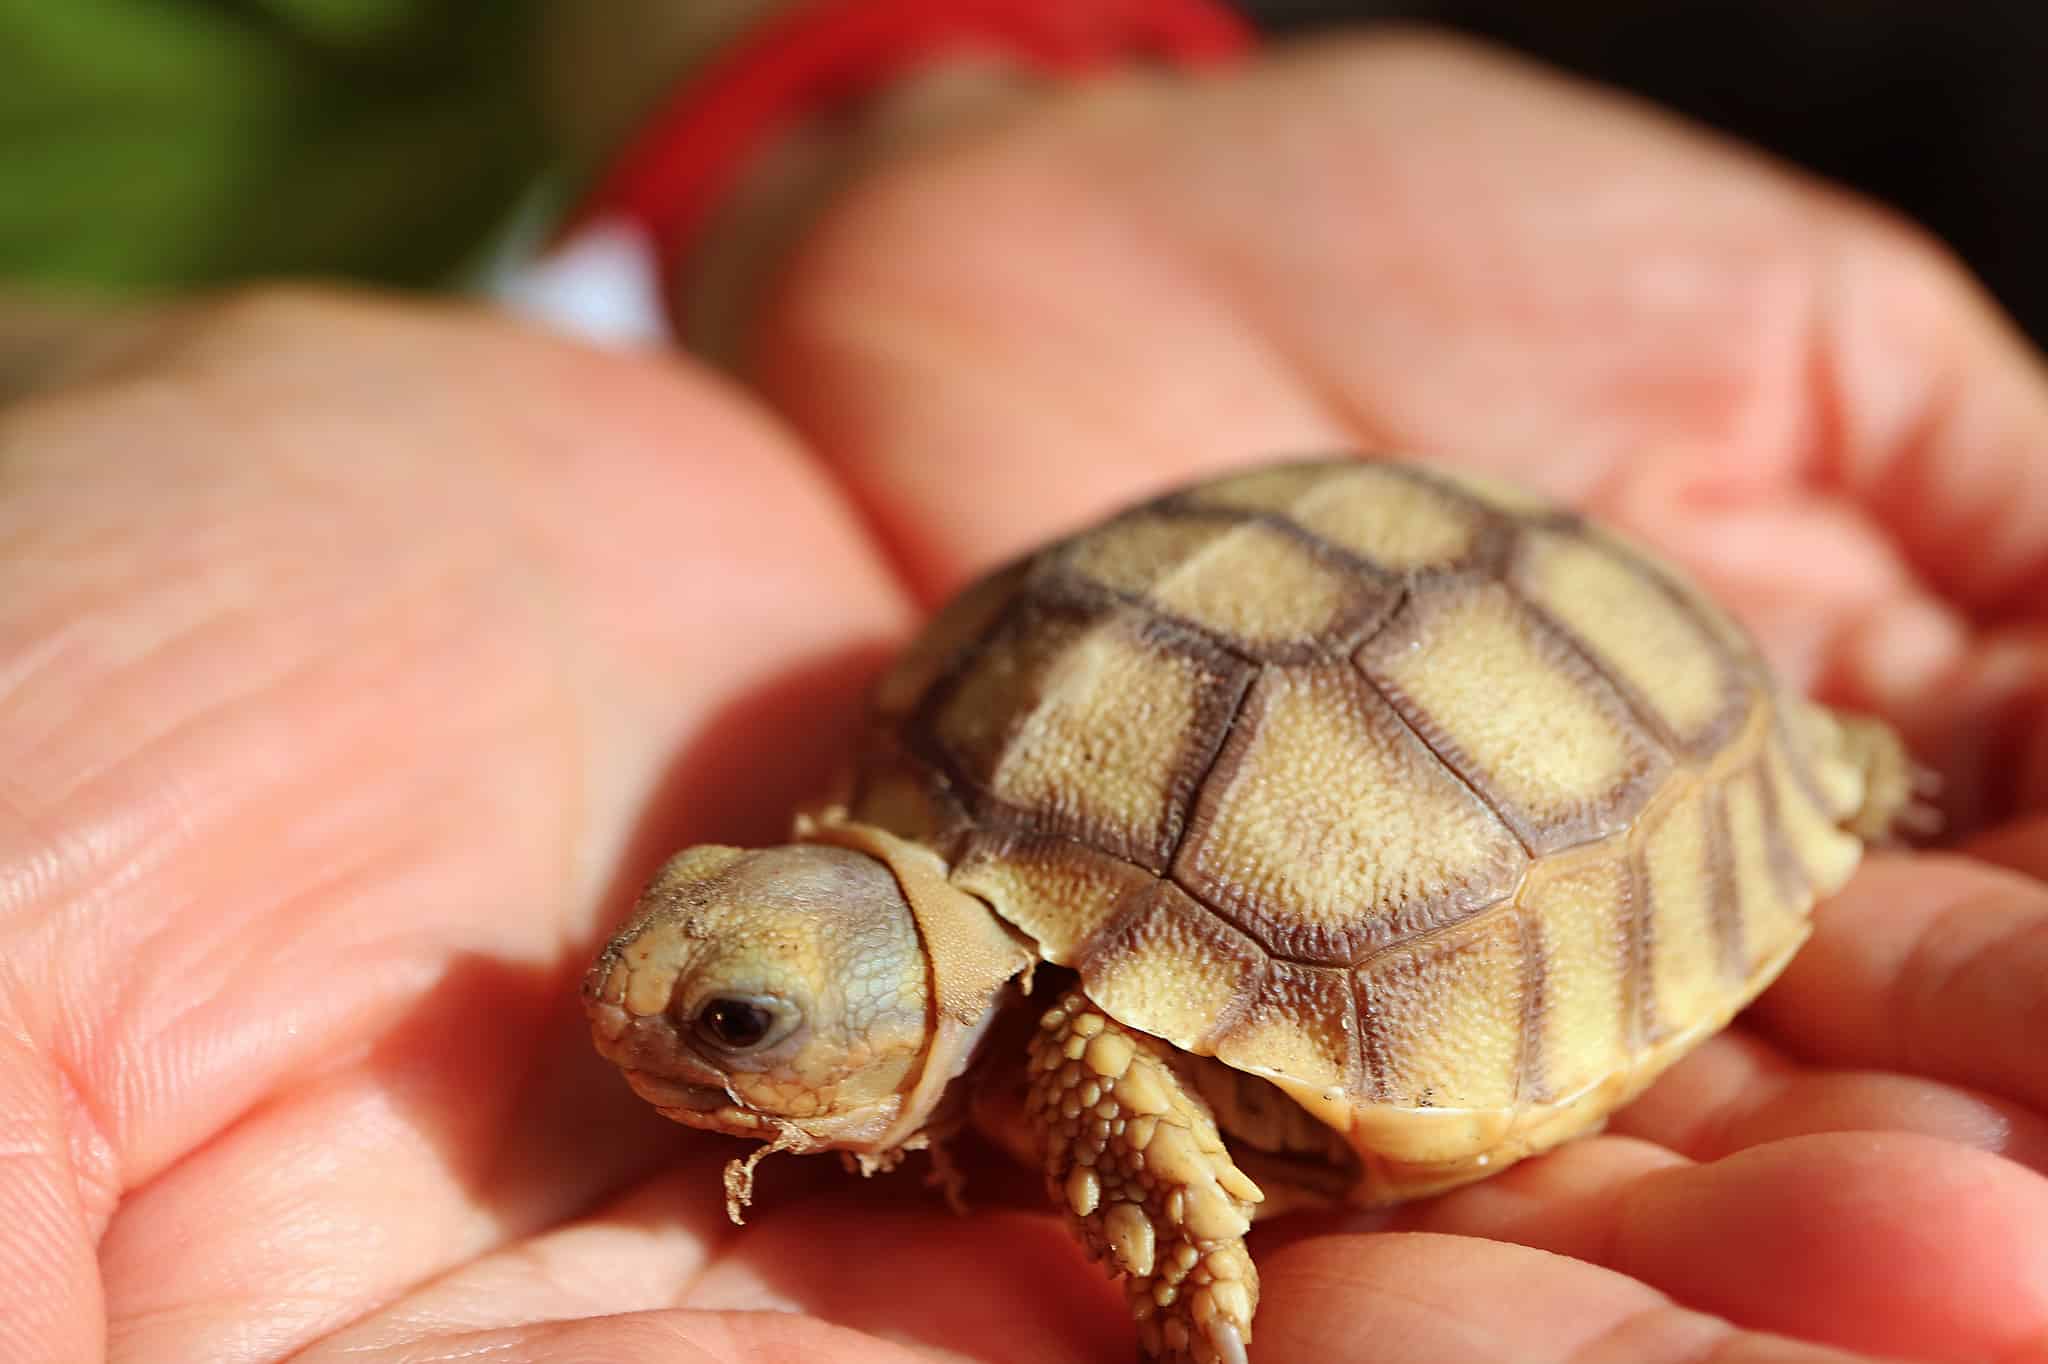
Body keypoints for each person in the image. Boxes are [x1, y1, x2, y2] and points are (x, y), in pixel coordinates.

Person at [3, 30, 2047, 1364]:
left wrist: (869, 103)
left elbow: (1108, 1067)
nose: (649, 1019)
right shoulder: (926, 756)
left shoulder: (1071, 1043)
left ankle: (1808, 774)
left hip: (1552, 668)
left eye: (735, 1025)